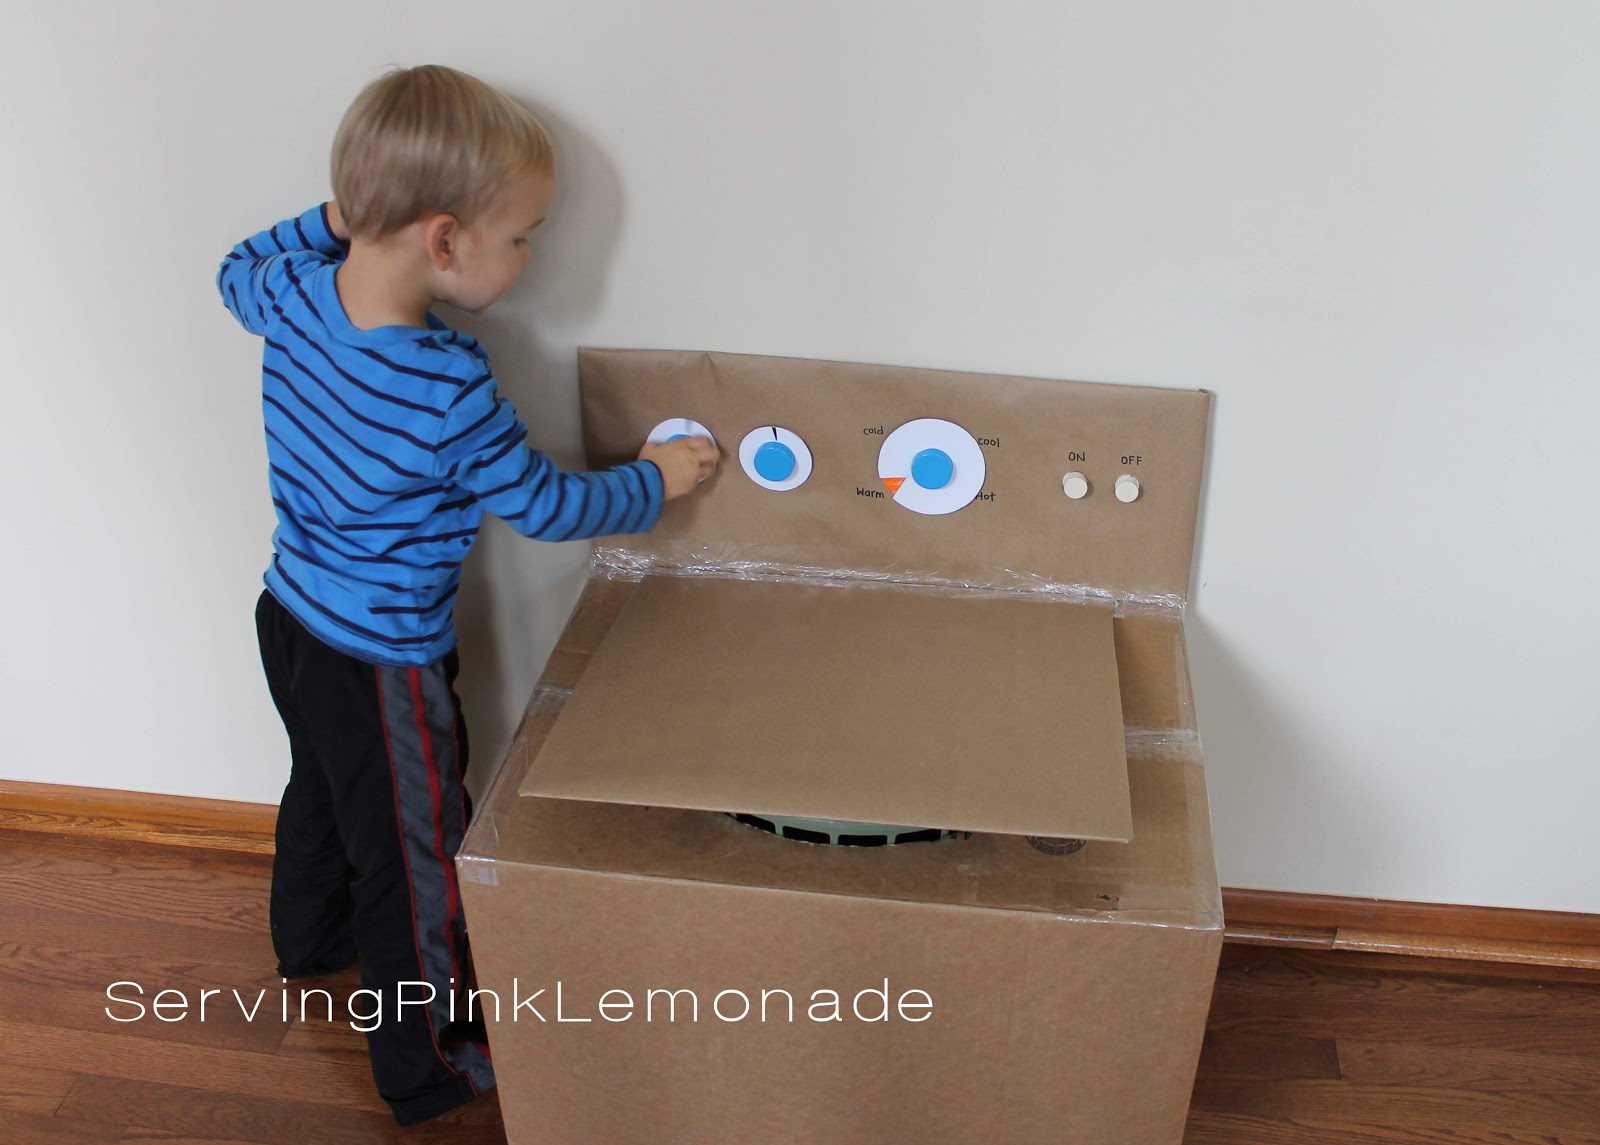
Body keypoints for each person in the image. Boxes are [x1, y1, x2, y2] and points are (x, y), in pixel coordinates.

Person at [215, 63, 717, 1125]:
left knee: (319, 787)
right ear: (444, 241)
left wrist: (339, 216)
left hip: (288, 616)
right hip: (384, 661)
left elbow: (232, 267)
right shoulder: (445, 384)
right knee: (415, 863)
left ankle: (307, 944)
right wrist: (656, 480)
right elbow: (545, 505)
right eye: (524, 233)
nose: (531, 253)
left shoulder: (294, 293)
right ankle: (427, 1060)